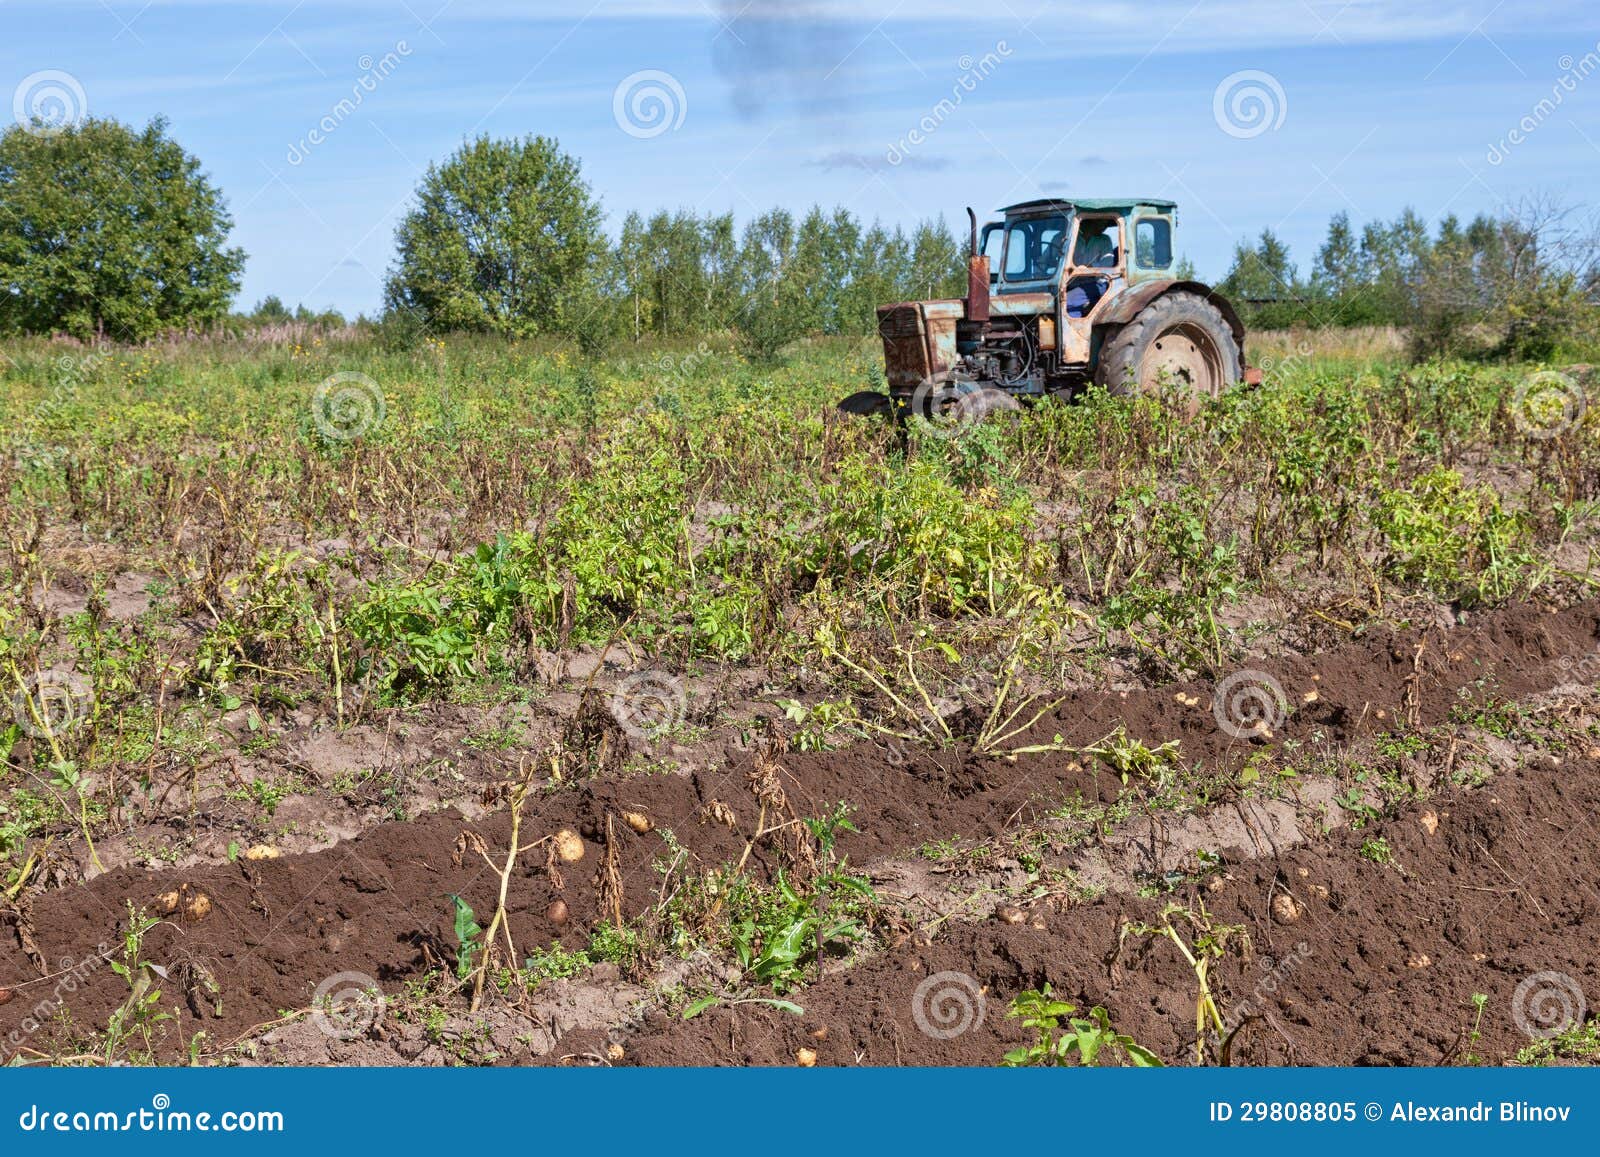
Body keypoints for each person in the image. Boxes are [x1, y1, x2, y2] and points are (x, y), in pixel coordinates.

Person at [1064, 223, 1117, 317]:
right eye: (1100, 222)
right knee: (1070, 309)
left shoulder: (1104, 240)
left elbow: (1107, 264)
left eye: (1104, 223)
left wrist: (1088, 268)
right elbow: (1046, 258)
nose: (1103, 226)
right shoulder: (1071, 238)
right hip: (1073, 282)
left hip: (1097, 283)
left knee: (1065, 300)